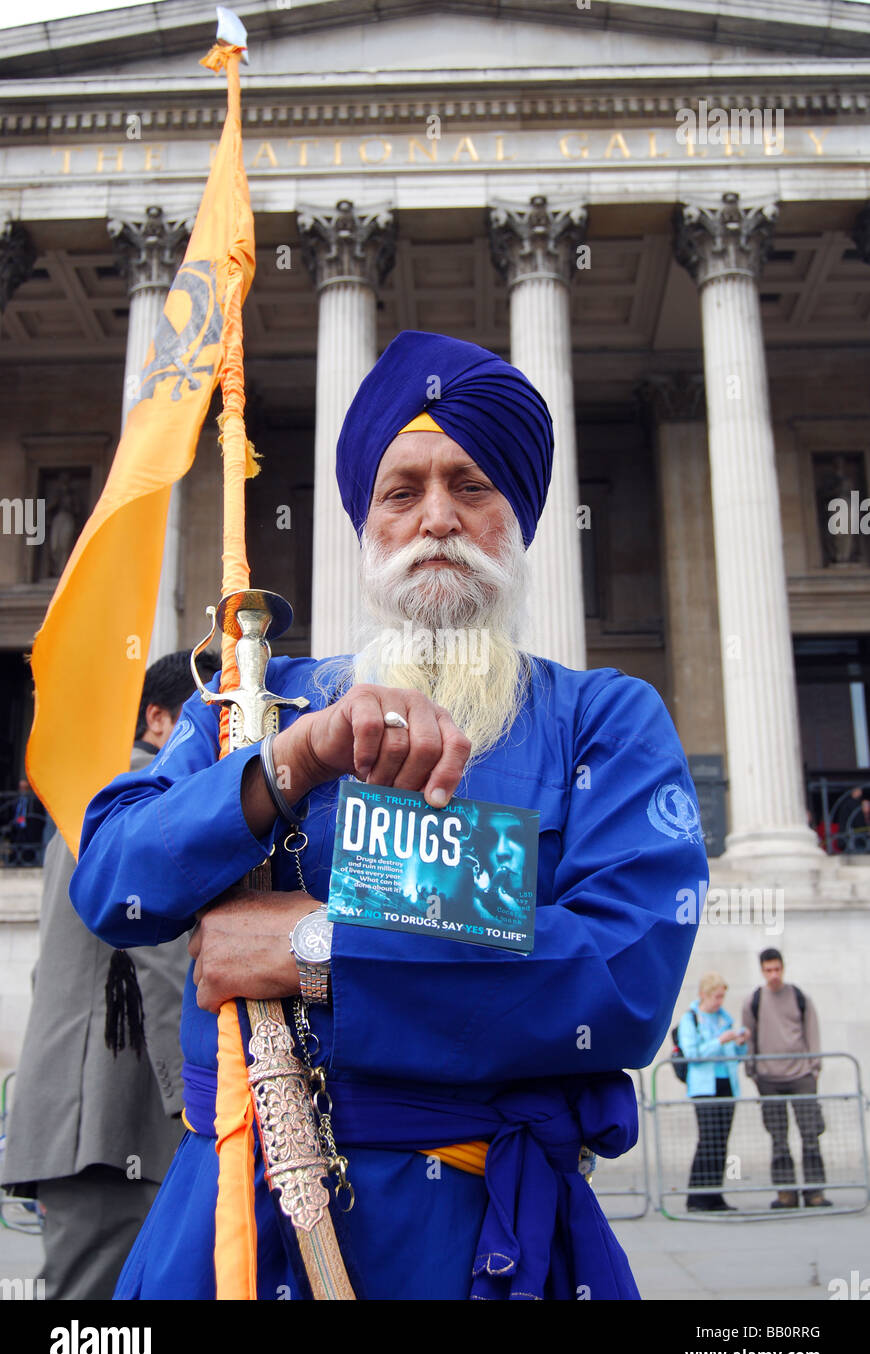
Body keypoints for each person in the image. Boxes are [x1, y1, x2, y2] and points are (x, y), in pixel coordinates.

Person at [71, 330, 708, 1301]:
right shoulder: (261, 703)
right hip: (234, 1232)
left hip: (477, 1245)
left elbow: (619, 981)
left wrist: (324, 946)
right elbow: (111, 883)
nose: (437, 518)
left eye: (472, 486)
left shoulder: (604, 720)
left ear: (521, 516)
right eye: (402, 491)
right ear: (365, 524)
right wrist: (290, 763)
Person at [1, 649, 219, 1299]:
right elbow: (158, 959)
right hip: (112, 1116)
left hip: (94, 1114)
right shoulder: (140, 797)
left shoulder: (101, 794)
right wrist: (198, 1102)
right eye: (211, 717)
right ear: (158, 719)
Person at [742, 948, 830, 1209]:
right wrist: (753, 1071)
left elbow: (811, 1031)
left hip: (801, 1075)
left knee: (810, 1134)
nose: (774, 975)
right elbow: (750, 1037)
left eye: (777, 969)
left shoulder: (799, 997)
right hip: (769, 1078)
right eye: (768, 970)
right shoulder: (754, 1001)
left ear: (783, 968)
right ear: (762, 971)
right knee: (778, 1138)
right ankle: (785, 1193)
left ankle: (815, 1193)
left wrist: (814, 1068)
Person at [676, 972, 748, 1213]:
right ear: (704, 995)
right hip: (704, 1088)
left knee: (720, 1142)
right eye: (716, 996)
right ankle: (696, 1197)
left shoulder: (724, 1019)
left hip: (726, 1083)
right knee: (707, 1139)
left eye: (722, 997)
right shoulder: (691, 1019)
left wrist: (740, 1043)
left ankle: (715, 1196)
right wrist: (720, 1040)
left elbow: (737, 1058)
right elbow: (693, 1053)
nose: (719, 1001)